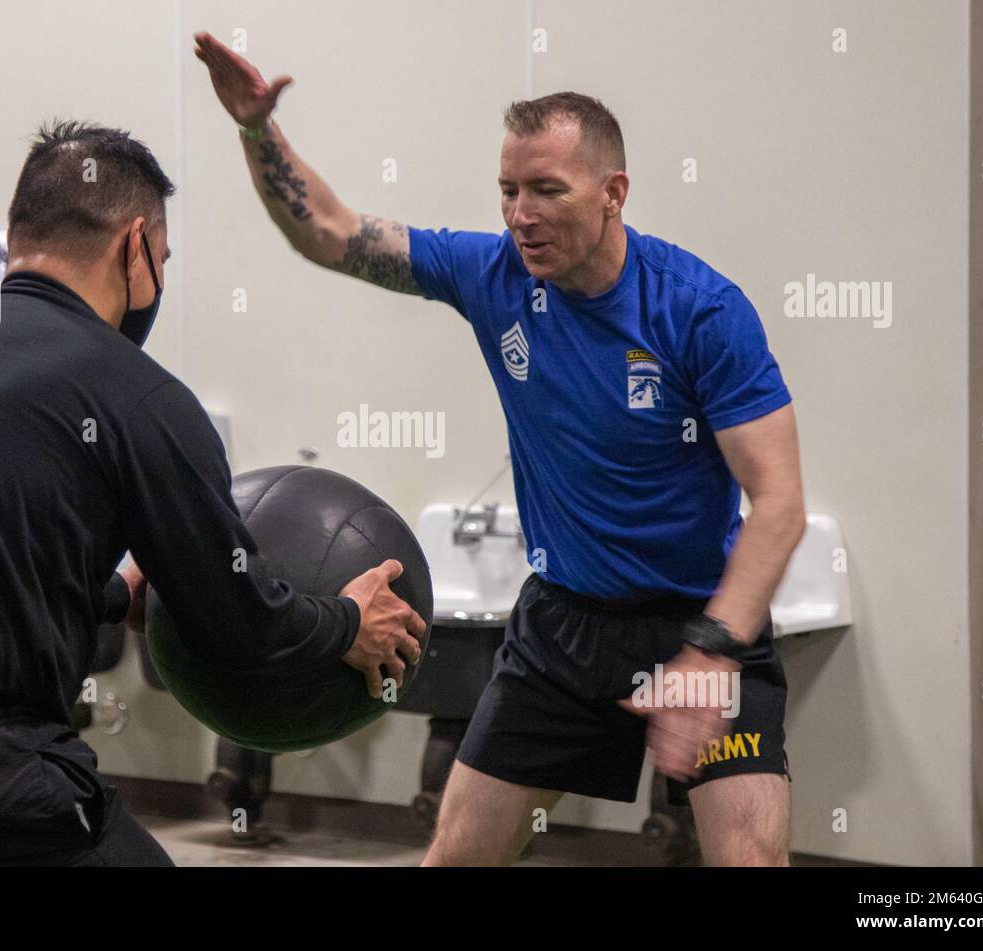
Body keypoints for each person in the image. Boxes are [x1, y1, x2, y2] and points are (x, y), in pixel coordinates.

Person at [195, 31, 806, 866]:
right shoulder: (496, 277)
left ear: (613, 190)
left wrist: (708, 653)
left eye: (547, 190)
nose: (520, 215)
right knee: (456, 858)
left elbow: (779, 506)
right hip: (561, 627)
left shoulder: (699, 311)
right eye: (508, 190)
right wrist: (257, 131)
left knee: (751, 863)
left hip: (695, 621)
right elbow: (331, 233)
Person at [0, 121, 424, 866]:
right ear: (136, 245)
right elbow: (241, 628)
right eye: (165, 259)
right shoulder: (137, 395)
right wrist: (347, 624)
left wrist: (116, 595)